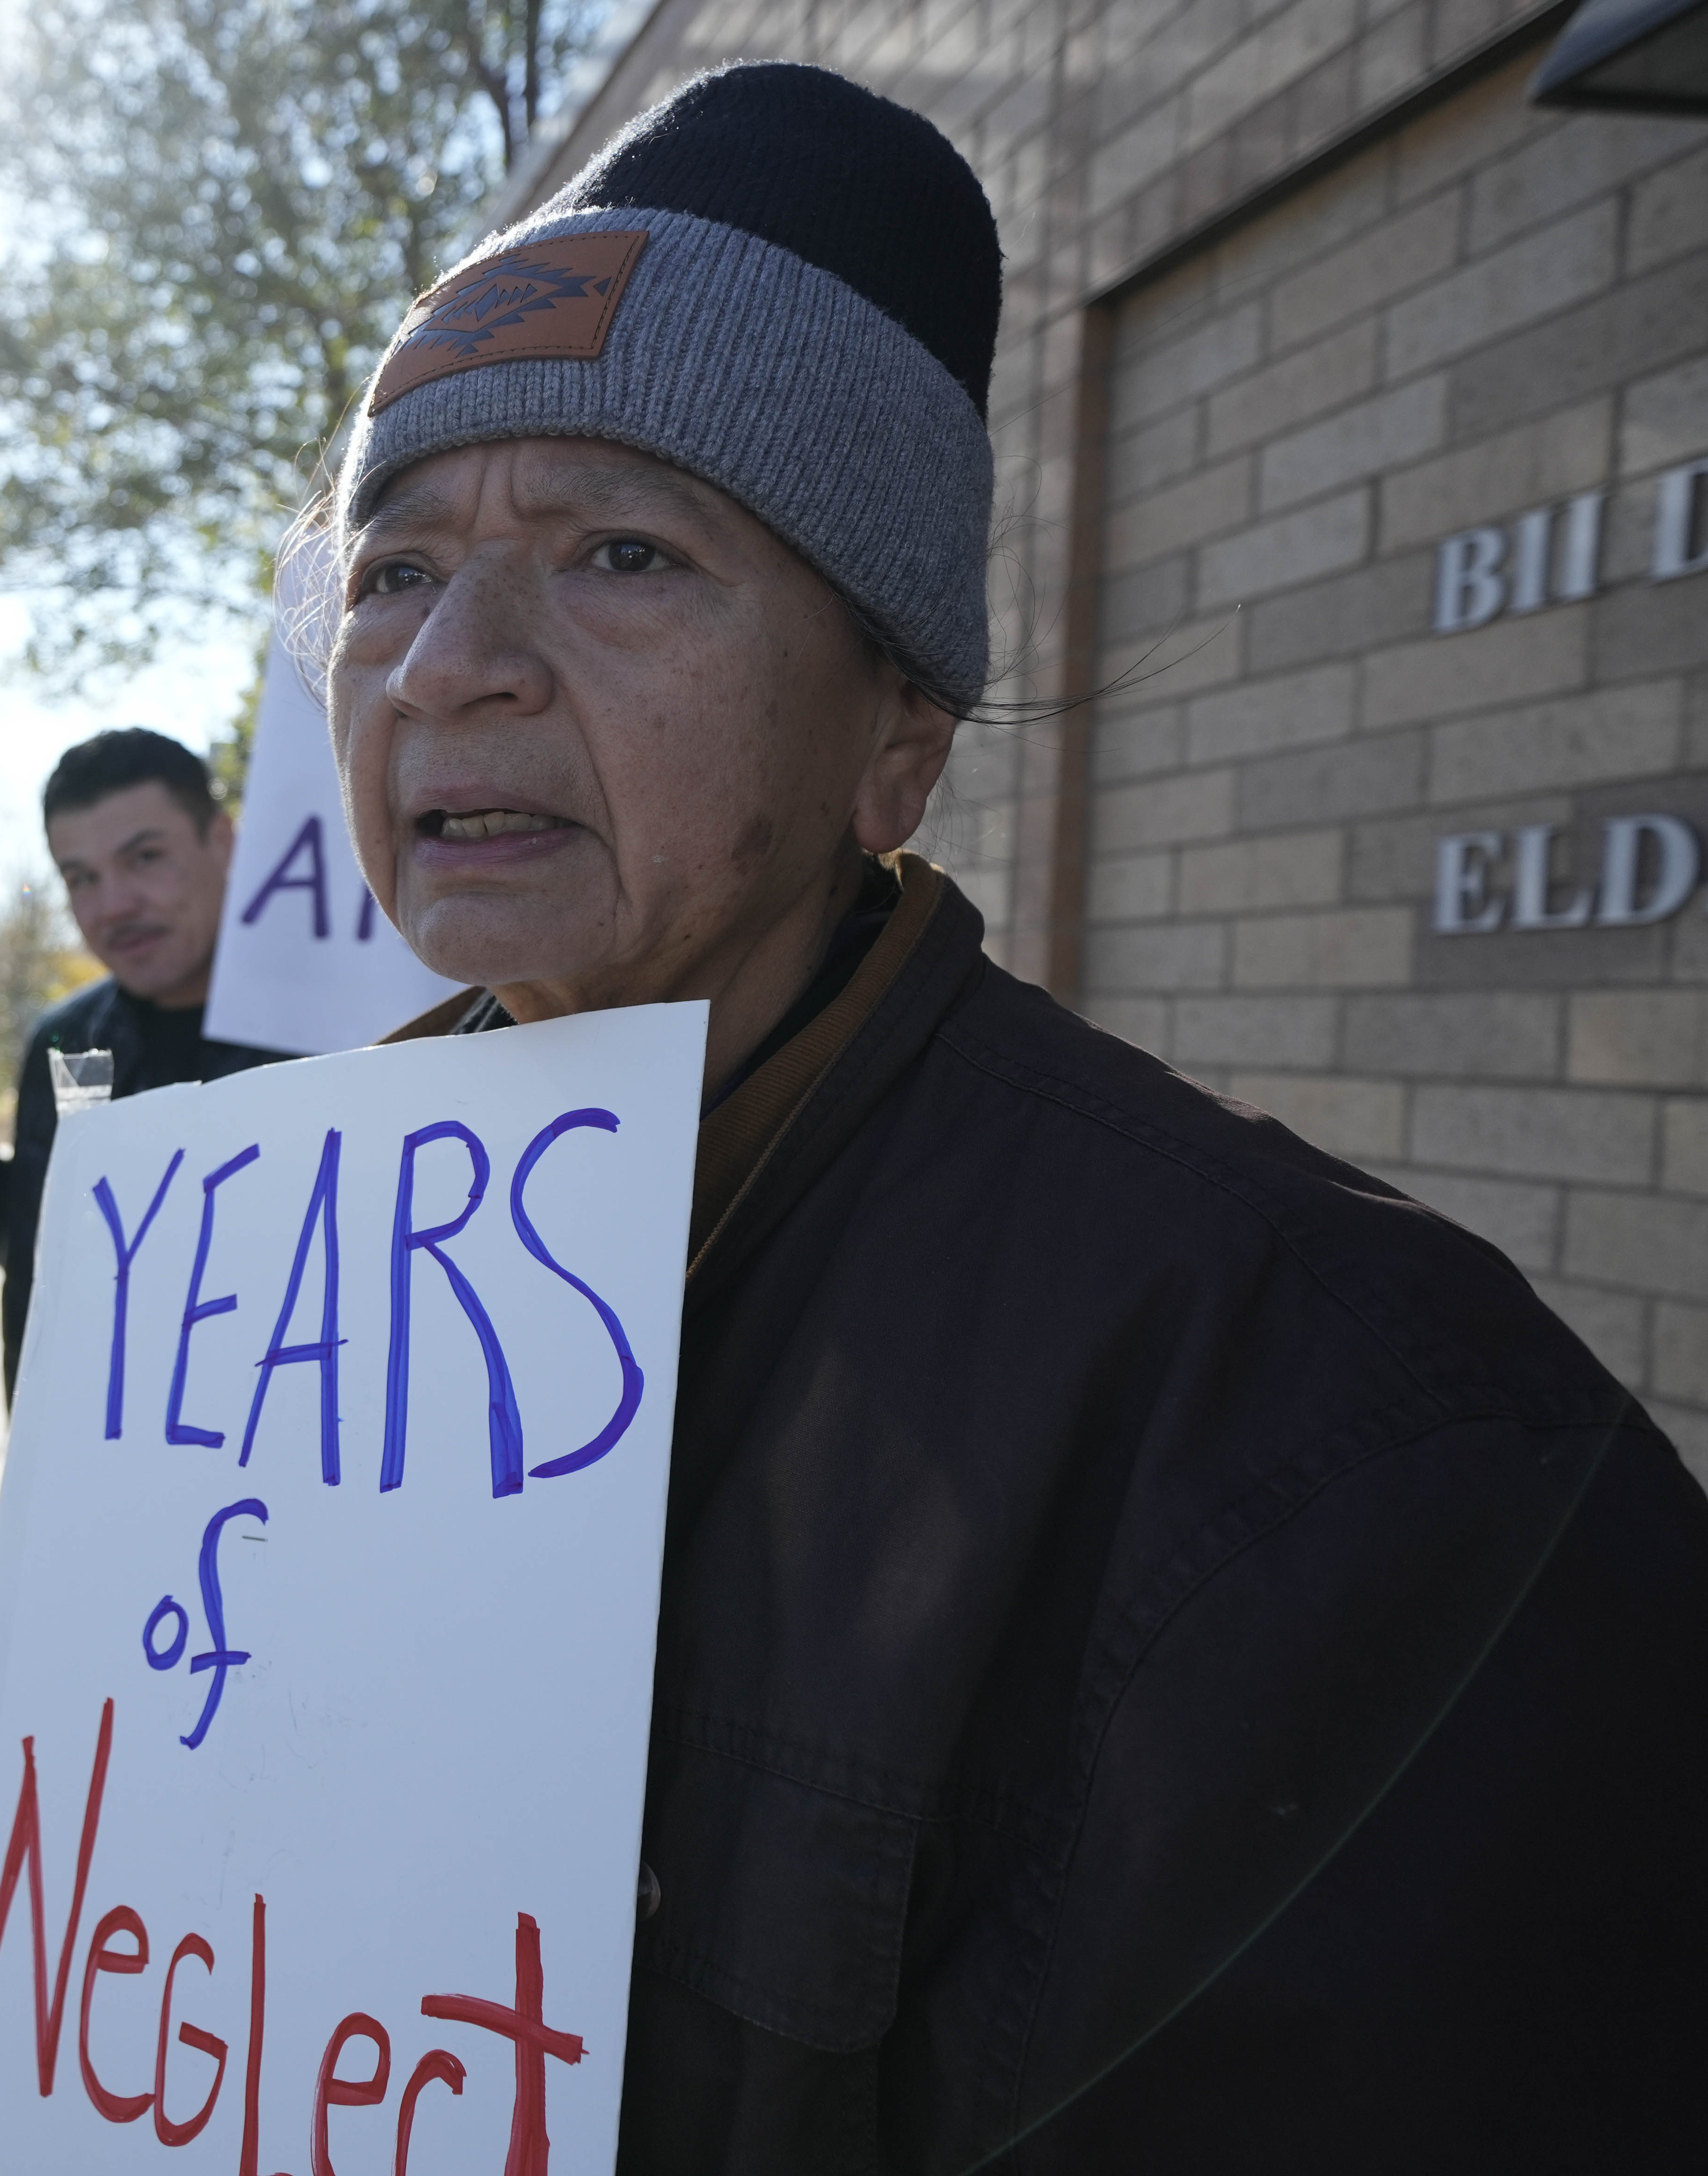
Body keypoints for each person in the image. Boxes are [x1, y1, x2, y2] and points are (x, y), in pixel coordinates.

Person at [321, 61, 1707, 2169]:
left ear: (898, 742)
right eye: (391, 567)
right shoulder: (260, 1284)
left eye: (618, 549)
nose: (442, 664)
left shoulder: (1349, 1452)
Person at [0, 728, 284, 1394]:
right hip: (80, 1472)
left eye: (145, 858)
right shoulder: (70, 1041)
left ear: (222, 842)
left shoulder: (329, 1035)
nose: (113, 906)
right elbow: (42, 1251)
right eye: (81, 878)